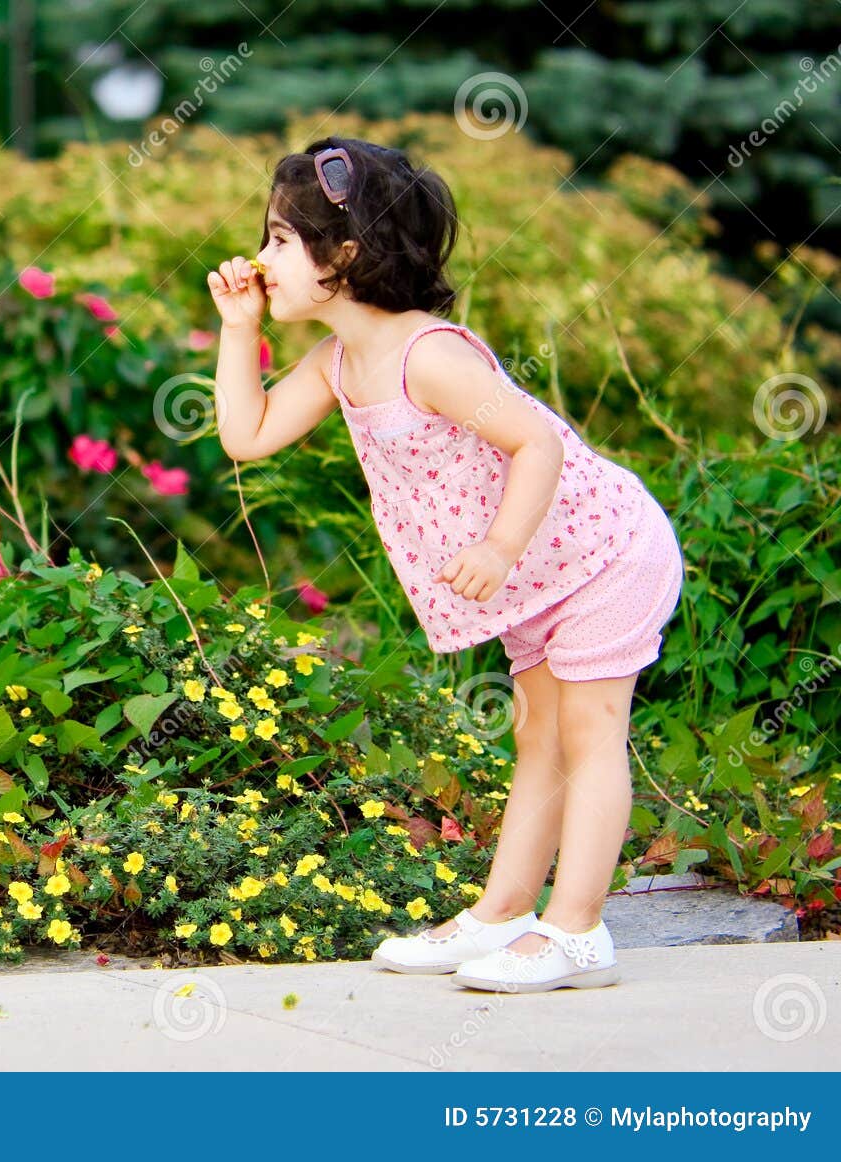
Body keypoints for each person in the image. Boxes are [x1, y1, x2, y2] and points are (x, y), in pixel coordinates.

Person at [205, 135, 684, 993]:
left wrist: (499, 546)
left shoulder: (432, 356)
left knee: (587, 734)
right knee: (538, 736)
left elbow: (534, 439)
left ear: (344, 257)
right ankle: (502, 915)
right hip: (541, 578)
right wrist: (239, 332)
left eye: (281, 238)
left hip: (605, 553)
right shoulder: (341, 360)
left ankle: (577, 932)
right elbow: (247, 436)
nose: (262, 257)